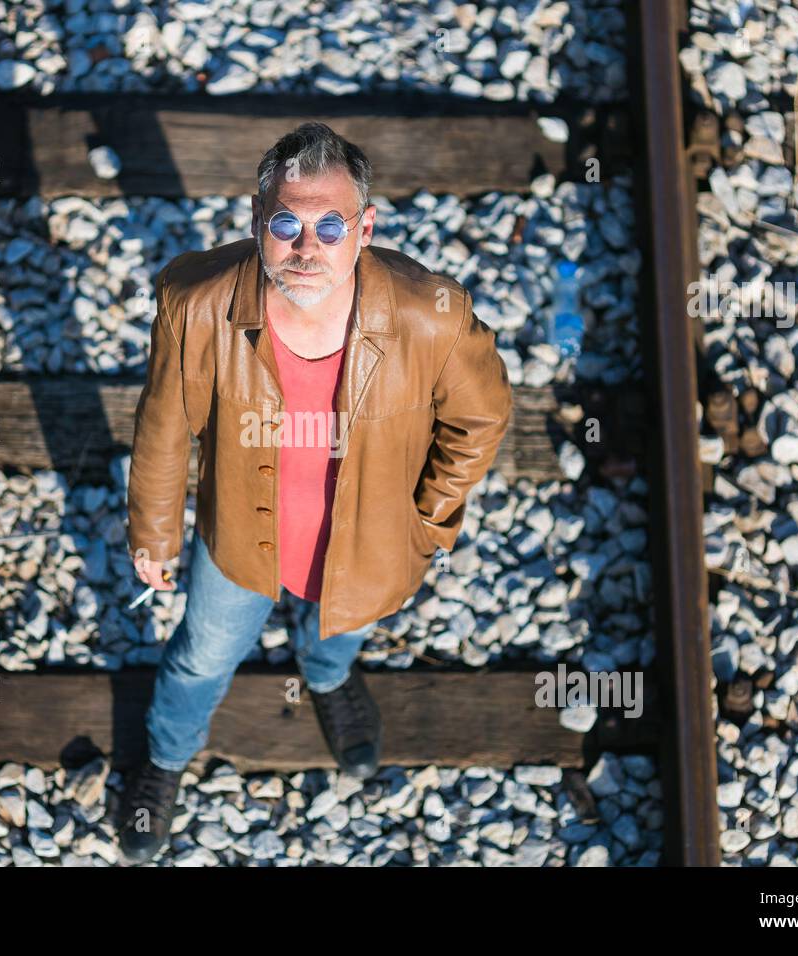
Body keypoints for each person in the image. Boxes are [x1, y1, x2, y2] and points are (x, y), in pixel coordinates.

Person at [117, 122, 513, 864]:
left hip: (363, 546)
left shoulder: (430, 314)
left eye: (330, 225)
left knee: (342, 631)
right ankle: (167, 761)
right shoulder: (194, 303)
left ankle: (328, 679)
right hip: (237, 542)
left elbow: (482, 417)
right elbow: (163, 431)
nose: (307, 248)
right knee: (201, 657)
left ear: (365, 228)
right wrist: (154, 536)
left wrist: (427, 519)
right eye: (287, 224)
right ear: (257, 223)